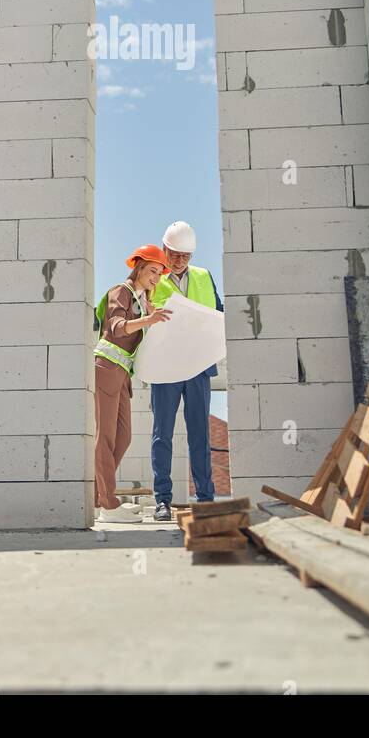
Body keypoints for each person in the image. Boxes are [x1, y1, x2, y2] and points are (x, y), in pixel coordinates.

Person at [149, 221, 223, 521]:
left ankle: (206, 499)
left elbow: (217, 313)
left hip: (198, 367)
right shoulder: (152, 279)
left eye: (185, 255)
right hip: (165, 368)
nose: (179, 260)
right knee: (162, 435)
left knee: (200, 436)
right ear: (164, 249)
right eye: (174, 253)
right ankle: (162, 501)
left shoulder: (204, 277)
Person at [93, 245, 172, 523]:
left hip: (121, 374)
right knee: (106, 437)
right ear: (138, 267)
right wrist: (147, 319)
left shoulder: (140, 299)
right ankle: (108, 503)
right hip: (106, 368)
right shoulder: (120, 291)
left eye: (160, 274)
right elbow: (116, 327)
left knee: (123, 437)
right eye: (153, 271)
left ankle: (99, 497)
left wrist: (150, 318)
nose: (156, 278)